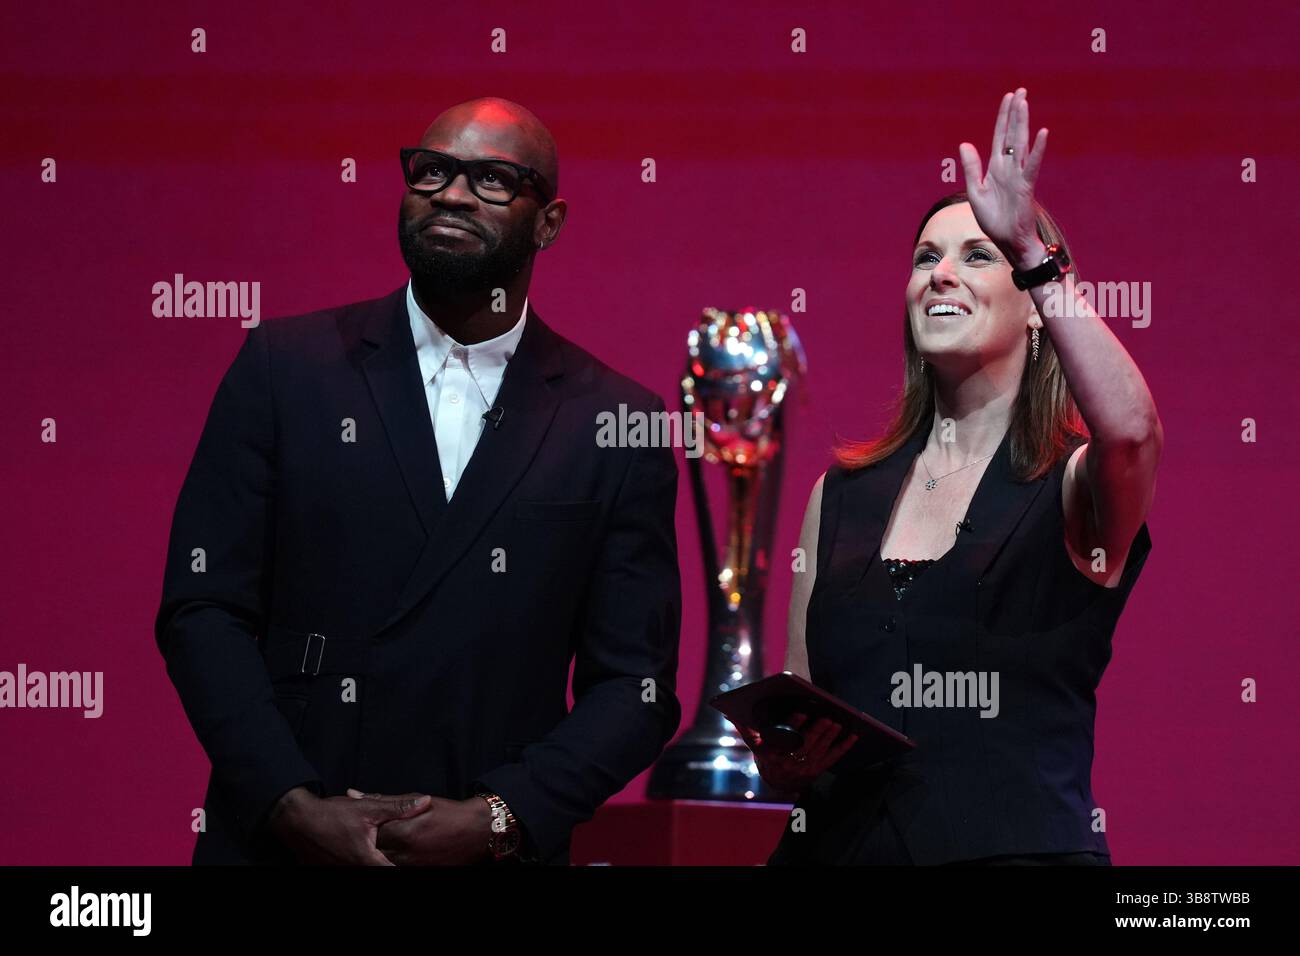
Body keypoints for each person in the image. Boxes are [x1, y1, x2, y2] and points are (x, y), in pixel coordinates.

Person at [154, 97, 683, 865]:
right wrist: (290, 803)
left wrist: (499, 818)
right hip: (282, 842)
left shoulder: (616, 420)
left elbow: (635, 688)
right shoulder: (285, 368)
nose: (453, 193)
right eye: (431, 171)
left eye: (494, 180)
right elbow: (203, 608)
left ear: (550, 222)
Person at [743, 88, 1160, 865]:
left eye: (977, 255)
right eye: (925, 259)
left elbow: (1132, 431)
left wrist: (1034, 253)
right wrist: (784, 760)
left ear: (1035, 306)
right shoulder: (840, 495)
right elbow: (802, 703)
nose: (940, 275)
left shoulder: (1070, 487)